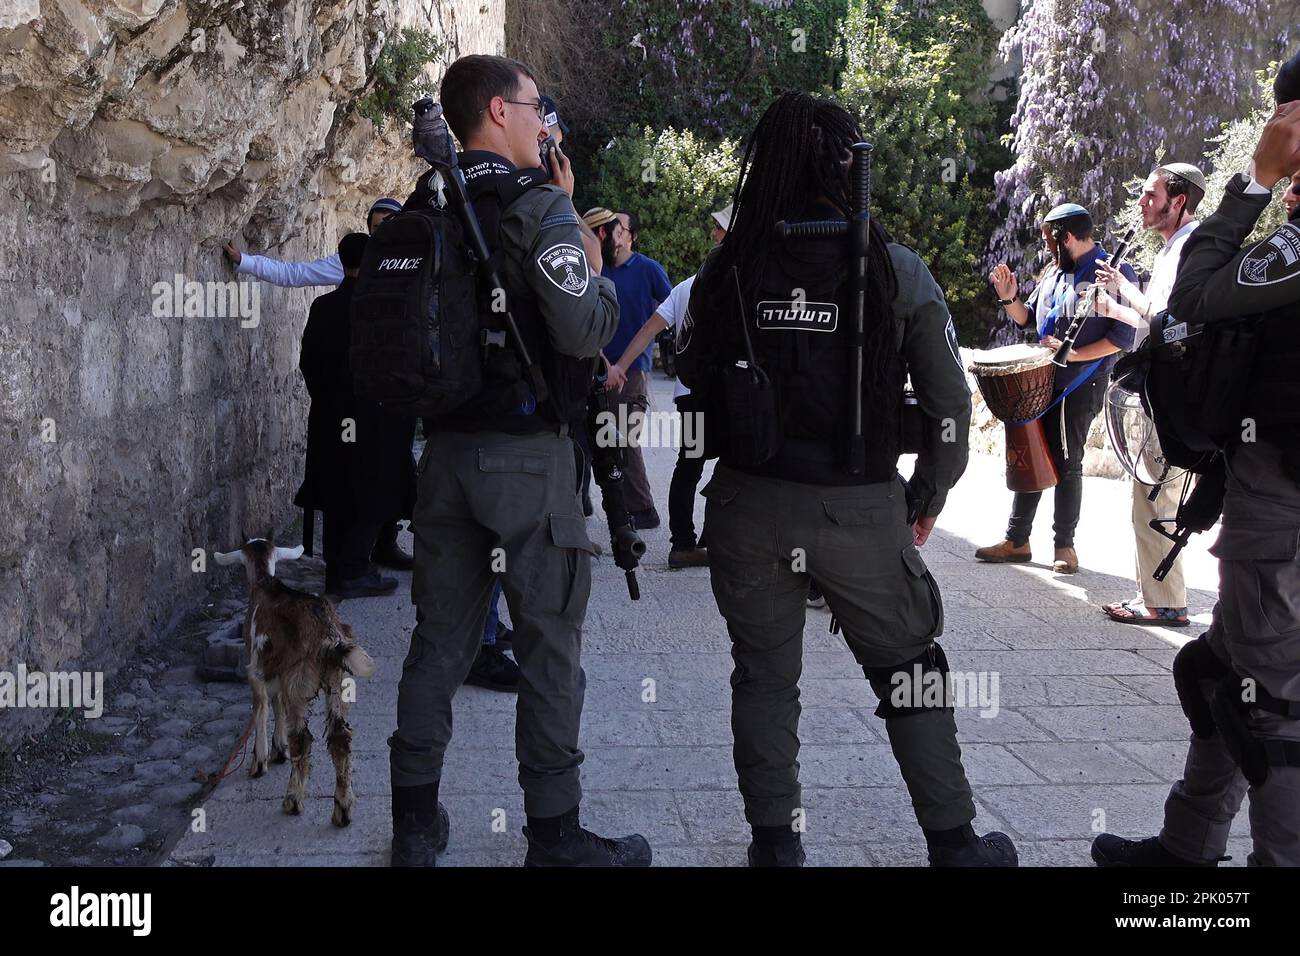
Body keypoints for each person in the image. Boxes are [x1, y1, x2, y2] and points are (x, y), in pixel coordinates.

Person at [677, 91, 1015, 867]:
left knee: (764, 679)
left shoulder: (728, 269)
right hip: (861, 510)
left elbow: (693, 375)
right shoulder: (892, 268)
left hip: (749, 503)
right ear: (845, 165)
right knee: (910, 672)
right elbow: (948, 406)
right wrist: (924, 500)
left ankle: (774, 848)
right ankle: (956, 846)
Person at [387, 54, 650, 867]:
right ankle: (555, 835)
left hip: (445, 459)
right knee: (547, 648)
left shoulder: (425, 203)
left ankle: (415, 826)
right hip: (526, 465)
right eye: (539, 108)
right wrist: (590, 256)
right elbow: (581, 330)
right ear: (498, 111)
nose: (548, 122)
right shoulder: (536, 207)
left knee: (438, 643)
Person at [1092, 63, 1300, 867]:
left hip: (1282, 503)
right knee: (1228, 675)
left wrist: (1254, 180)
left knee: (1270, 706)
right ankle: (1186, 848)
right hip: (1267, 493)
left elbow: (1198, 295)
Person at [224, 197, 414, 573]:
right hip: (363, 394)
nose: (383, 231)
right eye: (377, 225)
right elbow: (296, 274)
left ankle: (385, 542)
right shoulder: (353, 263)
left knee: (397, 461)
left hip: (399, 386)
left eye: (391, 223)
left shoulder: (414, 261)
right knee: (367, 466)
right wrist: (246, 262)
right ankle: (361, 553)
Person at [979, 203, 1139, 573]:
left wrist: (1074, 355)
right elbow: (1027, 319)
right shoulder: (1056, 272)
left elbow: (1122, 337)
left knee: (1067, 462)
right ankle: (1017, 540)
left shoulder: (1111, 272)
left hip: (1079, 383)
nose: (1048, 248)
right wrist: (1008, 296)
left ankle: (1064, 547)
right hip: (1042, 381)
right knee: (1032, 453)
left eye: (1051, 240)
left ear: (1065, 237)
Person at [1096, 163, 1206, 627]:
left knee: (1156, 491)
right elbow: (1150, 323)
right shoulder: (1174, 249)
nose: (1141, 202)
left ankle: (1164, 603)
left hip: (1175, 392)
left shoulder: (1189, 249)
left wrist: (1124, 288)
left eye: (1149, 194)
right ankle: (1158, 595)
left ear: (1178, 201)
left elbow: (1167, 320)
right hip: (1167, 389)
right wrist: (1114, 307)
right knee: (1150, 491)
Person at [607, 204, 731, 567]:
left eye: (719, 229)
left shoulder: (686, 287)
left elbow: (648, 331)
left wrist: (619, 367)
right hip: (726, 396)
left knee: (690, 464)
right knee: (730, 464)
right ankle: (709, 541)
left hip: (689, 394)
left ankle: (683, 544)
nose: (715, 234)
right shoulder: (741, 288)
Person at [294, 233, 415, 598]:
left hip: (330, 416)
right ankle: (355, 569)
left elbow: (308, 362)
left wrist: (328, 400)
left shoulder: (323, 306)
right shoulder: (383, 305)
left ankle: (335, 569)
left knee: (334, 491)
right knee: (372, 492)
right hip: (373, 418)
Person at [584, 206, 672, 530]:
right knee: (595, 436)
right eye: (610, 227)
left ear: (631, 235)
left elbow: (671, 308)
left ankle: (643, 508)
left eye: (619, 227)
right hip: (597, 365)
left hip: (633, 370)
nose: (613, 232)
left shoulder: (648, 269)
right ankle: (584, 498)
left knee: (624, 438)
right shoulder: (598, 267)